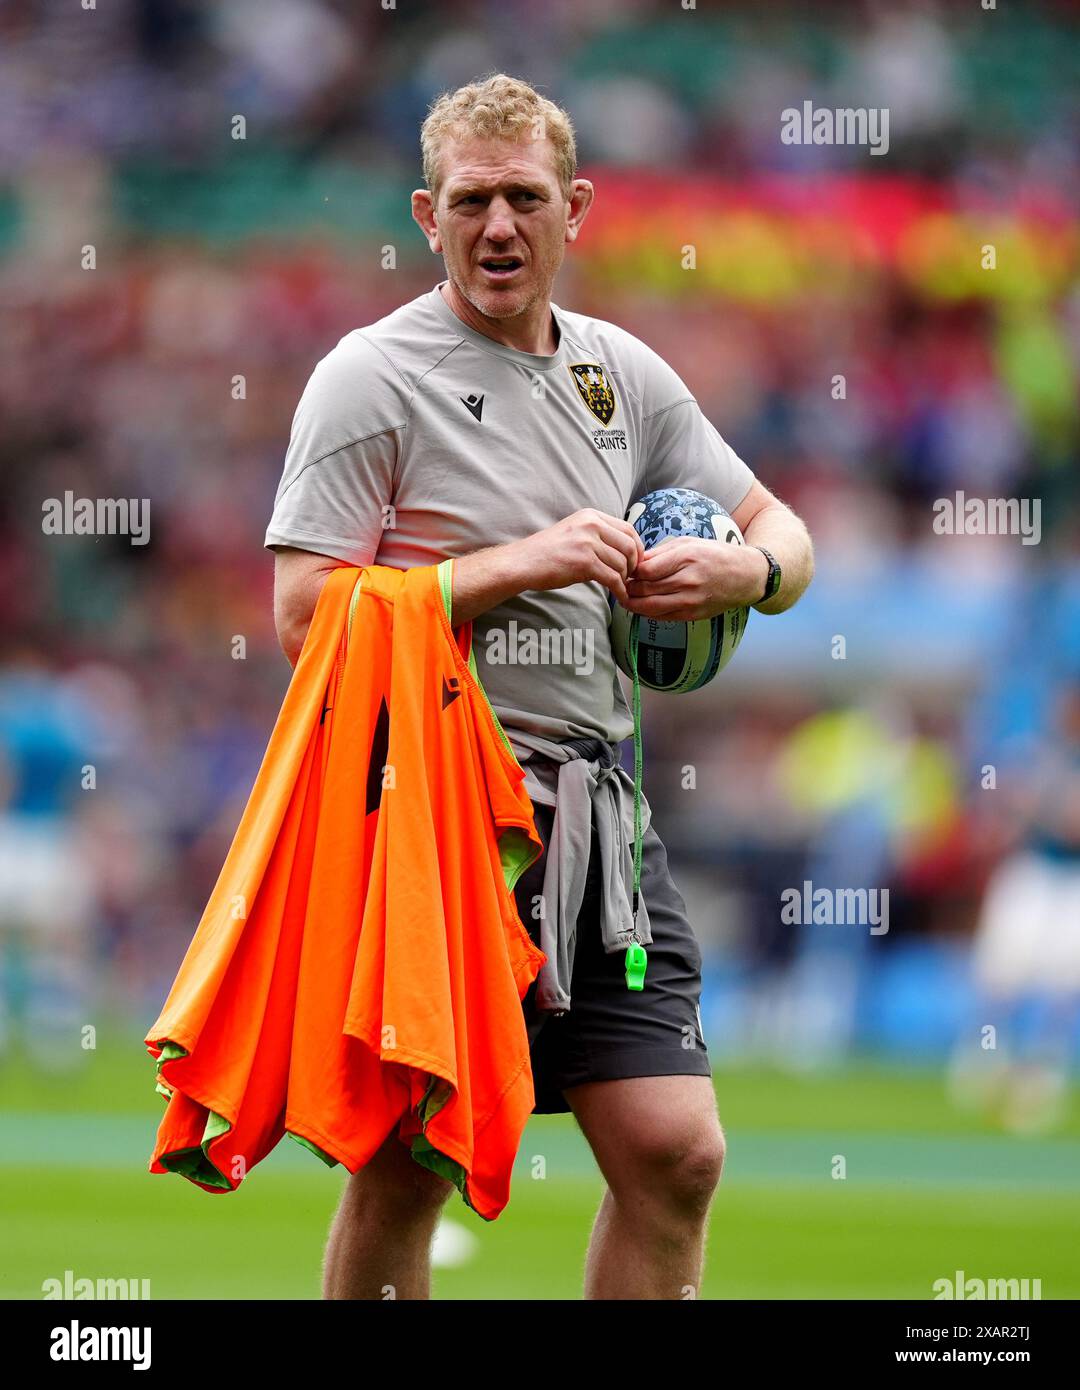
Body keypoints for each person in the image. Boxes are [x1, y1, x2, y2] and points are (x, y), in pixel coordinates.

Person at [266, 73, 814, 1300]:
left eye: (523, 198)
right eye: (470, 201)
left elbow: (789, 535)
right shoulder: (371, 376)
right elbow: (306, 615)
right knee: (408, 1163)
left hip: (602, 822)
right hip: (437, 818)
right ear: (426, 212)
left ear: (577, 210)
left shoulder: (624, 372)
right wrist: (529, 562)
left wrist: (747, 566)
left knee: (675, 1154)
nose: (497, 225)